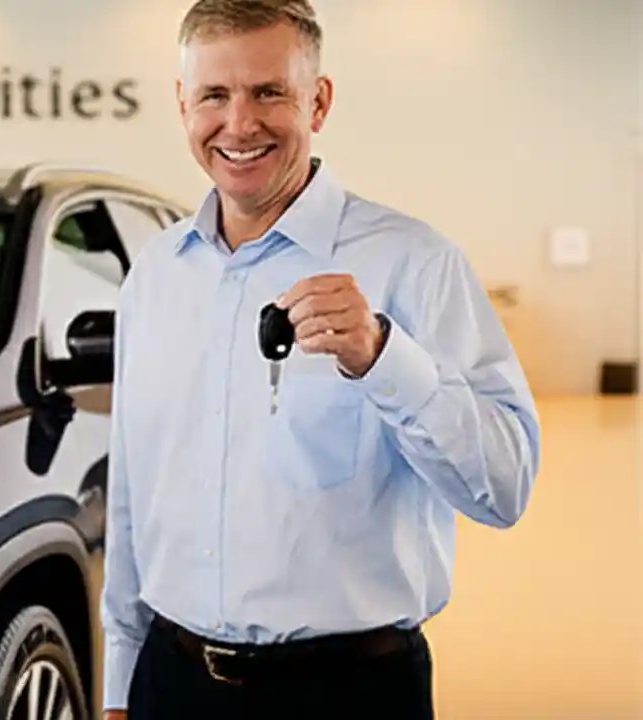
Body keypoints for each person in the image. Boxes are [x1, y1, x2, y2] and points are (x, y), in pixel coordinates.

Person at [100, 0, 540, 717]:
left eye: (269, 92)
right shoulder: (155, 275)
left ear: (320, 101)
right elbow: (133, 491)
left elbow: (505, 486)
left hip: (349, 693)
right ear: (183, 105)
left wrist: (383, 358)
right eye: (214, 95)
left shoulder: (415, 263)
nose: (239, 124)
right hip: (170, 683)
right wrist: (120, 679)